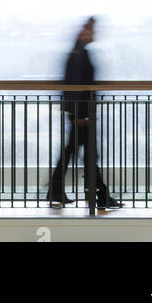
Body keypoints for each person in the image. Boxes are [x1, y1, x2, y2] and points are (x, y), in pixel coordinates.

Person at [46, 17, 122, 209]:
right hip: (82, 115)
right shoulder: (79, 55)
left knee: (75, 153)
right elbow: (75, 85)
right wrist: (79, 115)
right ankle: (101, 196)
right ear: (83, 33)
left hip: (80, 114)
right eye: (90, 30)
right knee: (85, 156)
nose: (93, 34)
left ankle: (59, 191)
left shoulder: (79, 53)